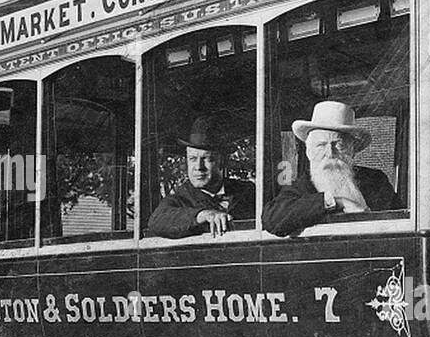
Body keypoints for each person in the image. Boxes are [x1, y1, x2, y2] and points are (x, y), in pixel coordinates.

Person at [262, 100, 400, 236]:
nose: (329, 153)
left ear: (352, 150)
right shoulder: (303, 185)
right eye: (321, 145)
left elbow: (399, 221)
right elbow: (272, 219)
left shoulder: (375, 180)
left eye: (338, 145)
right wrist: (333, 200)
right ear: (309, 151)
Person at [145, 117, 256, 238]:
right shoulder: (181, 198)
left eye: (206, 159)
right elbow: (156, 221)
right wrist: (201, 215)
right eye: (192, 159)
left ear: (222, 162)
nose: (198, 167)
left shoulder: (247, 191)